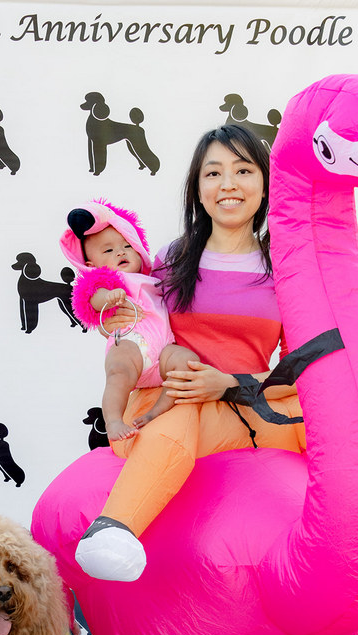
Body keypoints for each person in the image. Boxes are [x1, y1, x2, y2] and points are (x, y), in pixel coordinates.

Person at [74, 126, 305, 583]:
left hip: (251, 406)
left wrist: (230, 383)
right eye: (213, 173)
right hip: (174, 406)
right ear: (198, 189)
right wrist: (109, 312)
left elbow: (303, 369)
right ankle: (113, 528)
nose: (228, 184)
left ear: (264, 183)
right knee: (179, 408)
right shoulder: (170, 260)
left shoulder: (286, 269)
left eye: (243, 170)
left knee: (332, 410)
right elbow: (108, 294)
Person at [61, 200, 197, 443]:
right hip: (130, 344)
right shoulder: (109, 281)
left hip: (164, 350)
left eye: (126, 246)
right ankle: (113, 420)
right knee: (118, 372)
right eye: (108, 251)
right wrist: (108, 297)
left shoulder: (154, 278)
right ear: (92, 266)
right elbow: (92, 296)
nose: (120, 252)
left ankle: (156, 410)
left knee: (188, 362)